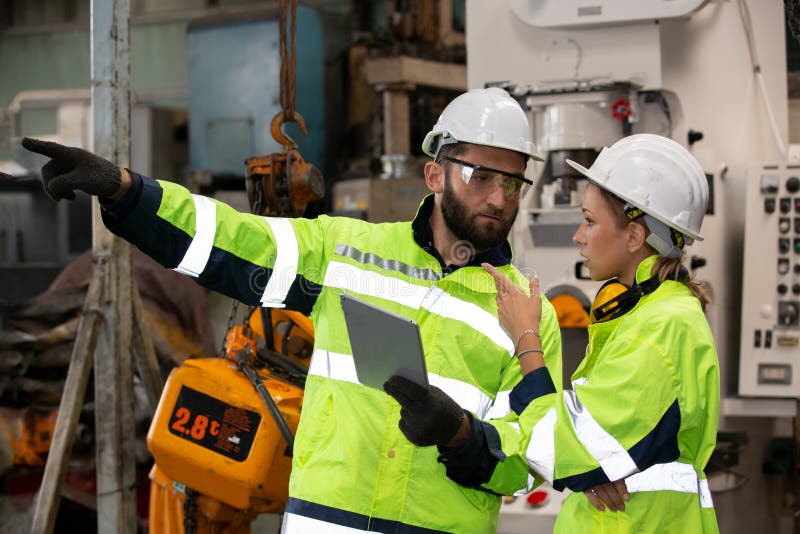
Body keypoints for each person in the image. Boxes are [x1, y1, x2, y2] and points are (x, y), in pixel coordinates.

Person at [15, 87, 563, 533]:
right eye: (481, 177)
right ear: (436, 174)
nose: (498, 198)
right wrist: (130, 193)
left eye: (512, 184)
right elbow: (231, 240)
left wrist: (461, 436)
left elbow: (536, 453)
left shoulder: (527, 312)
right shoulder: (347, 251)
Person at [389, 134, 720, 533]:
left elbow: (557, 447)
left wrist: (526, 336)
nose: (578, 236)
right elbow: (582, 444)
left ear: (634, 236)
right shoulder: (645, 317)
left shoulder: (663, 325)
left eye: (590, 221)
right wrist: (590, 467)